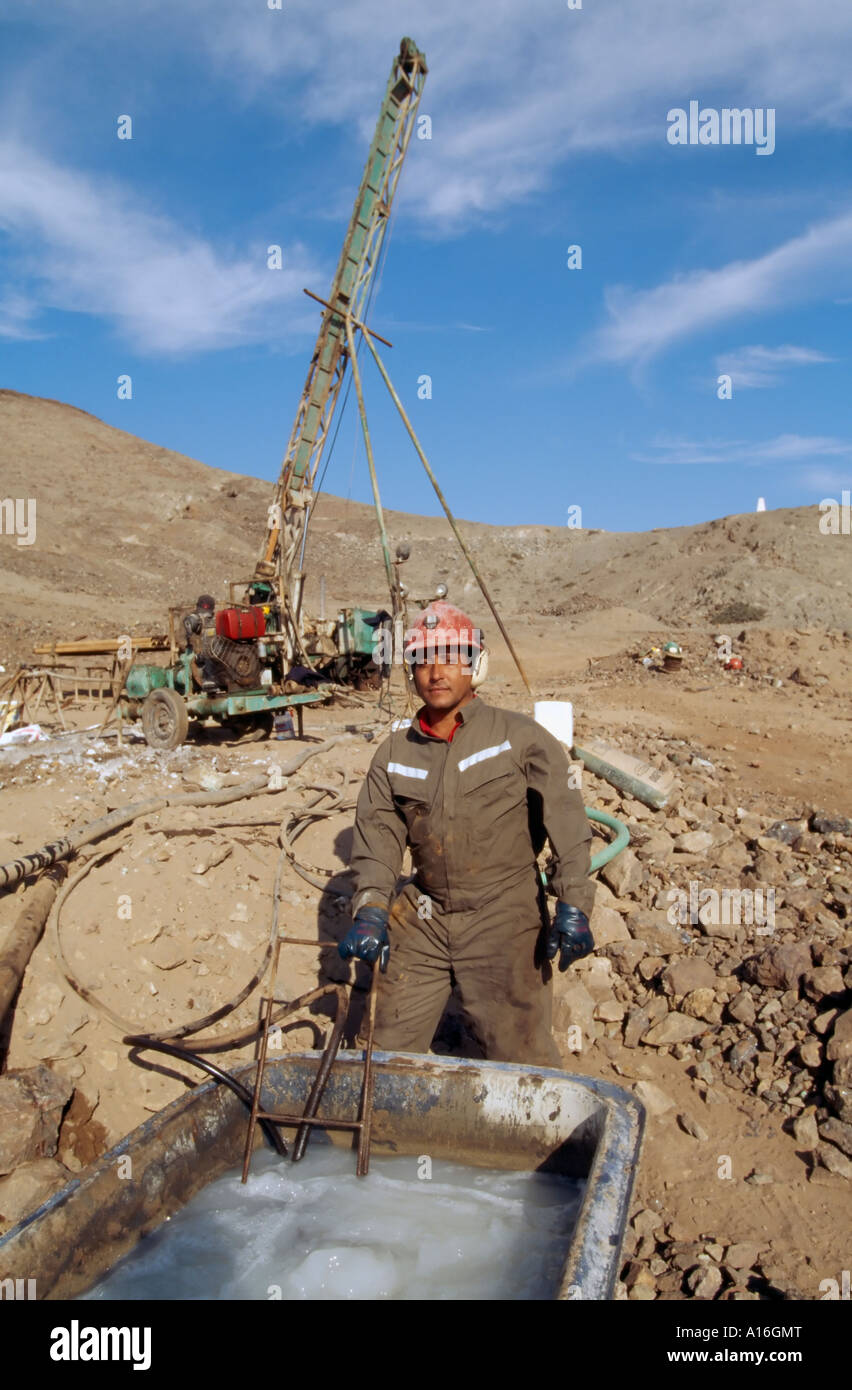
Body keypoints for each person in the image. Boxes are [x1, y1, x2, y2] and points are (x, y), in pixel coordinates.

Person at [340, 601, 596, 1067]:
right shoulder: (395, 753)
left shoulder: (519, 738)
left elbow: (568, 823)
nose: (437, 672)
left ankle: (535, 1133)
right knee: (381, 1055)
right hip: (427, 913)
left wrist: (573, 903)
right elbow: (378, 839)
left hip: (505, 915)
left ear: (475, 663)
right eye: (424, 659)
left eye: (452, 656)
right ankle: (384, 1130)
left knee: (523, 1060)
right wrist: (372, 908)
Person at [183, 594, 222, 694]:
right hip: (195, 654)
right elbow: (181, 640)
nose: (204, 616)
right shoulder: (190, 621)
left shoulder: (216, 621)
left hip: (213, 654)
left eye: (207, 613)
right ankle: (208, 682)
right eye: (202, 612)